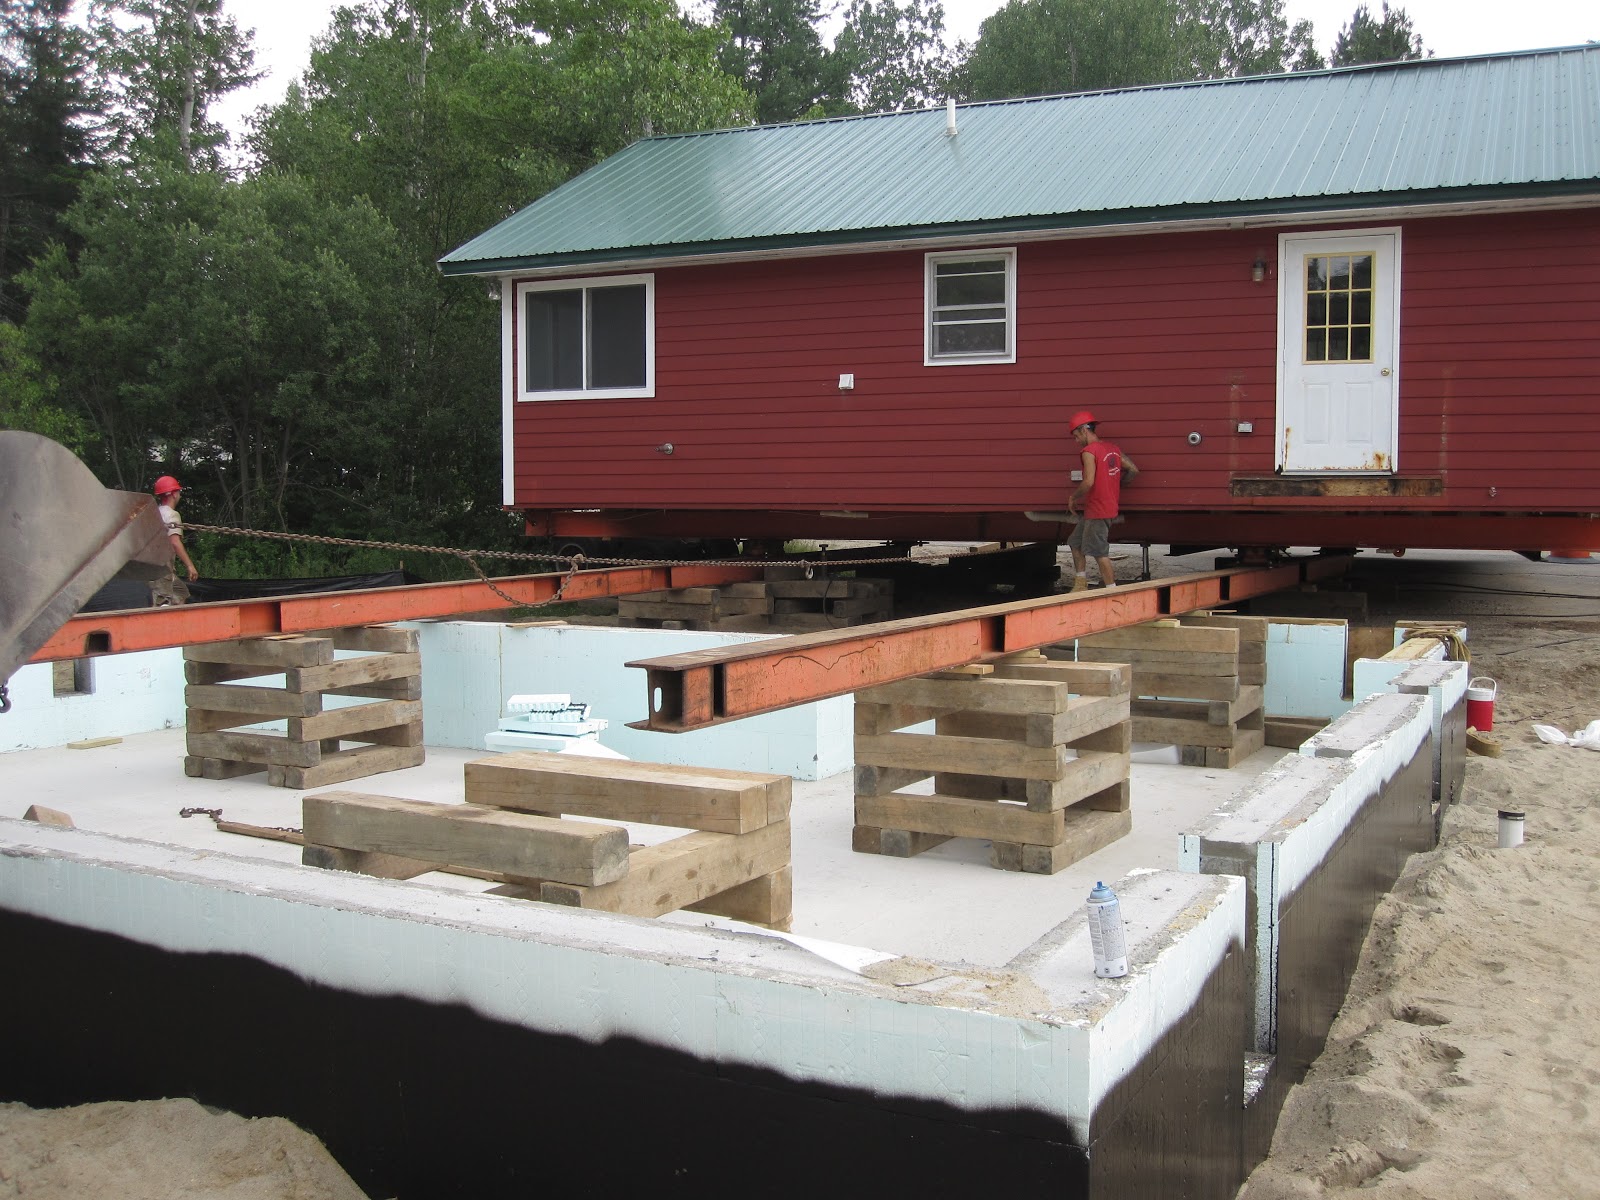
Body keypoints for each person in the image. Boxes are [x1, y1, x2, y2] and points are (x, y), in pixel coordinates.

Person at [1065, 411, 1138, 592]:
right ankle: (1081, 584)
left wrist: (1073, 498)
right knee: (1075, 542)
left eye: (1076, 436)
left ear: (1084, 430)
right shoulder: (1112, 448)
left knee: (1099, 552)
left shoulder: (1089, 452)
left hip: (1098, 509)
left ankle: (1112, 590)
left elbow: (1088, 481)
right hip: (1103, 507)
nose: (1077, 441)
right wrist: (1114, 485)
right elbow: (1133, 470)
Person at [150, 474, 198, 606]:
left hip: (156, 565)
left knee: (180, 592)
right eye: (178, 492)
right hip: (160, 566)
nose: (179, 495)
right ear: (174, 494)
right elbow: (174, 542)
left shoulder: (156, 511)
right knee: (162, 602)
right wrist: (190, 566)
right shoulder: (171, 514)